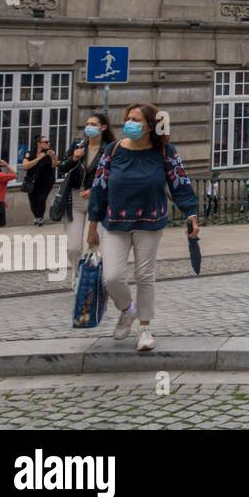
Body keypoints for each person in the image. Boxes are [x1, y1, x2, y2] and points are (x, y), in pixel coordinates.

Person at [86, 103, 199, 353]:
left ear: (149, 125)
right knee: (112, 277)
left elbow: (180, 183)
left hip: (150, 221)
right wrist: (92, 225)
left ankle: (145, 329)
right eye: (127, 118)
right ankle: (128, 311)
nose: (129, 123)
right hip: (114, 221)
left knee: (144, 276)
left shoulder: (164, 152)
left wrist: (191, 213)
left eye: (135, 119)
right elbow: (99, 187)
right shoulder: (112, 150)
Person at [56, 112, 116, 270]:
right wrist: (74, 158)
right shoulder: (78, 144)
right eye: (87, 123)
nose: (88, 127)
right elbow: (62, 167)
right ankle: (77, 275)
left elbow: (115, 175)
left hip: (96, 200)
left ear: (103, 128)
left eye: (93, 124)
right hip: (74, 200)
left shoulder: (110, 148)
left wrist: (94, 189)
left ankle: (91, 277)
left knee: (90, 243)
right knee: (73, 247)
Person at [20, 134, 57, 226]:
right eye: (46, 142)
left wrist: (52, 157)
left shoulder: (50, 152)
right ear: (39, 144)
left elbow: (54, 165)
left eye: (49, 142)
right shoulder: (29, 153)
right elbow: (25, 166)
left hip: (47, 180)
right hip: (32, 180)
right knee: (33, 201)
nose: (49, 143)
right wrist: (39, 158)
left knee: (41, 199)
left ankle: (40, 218)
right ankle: (36, 216)